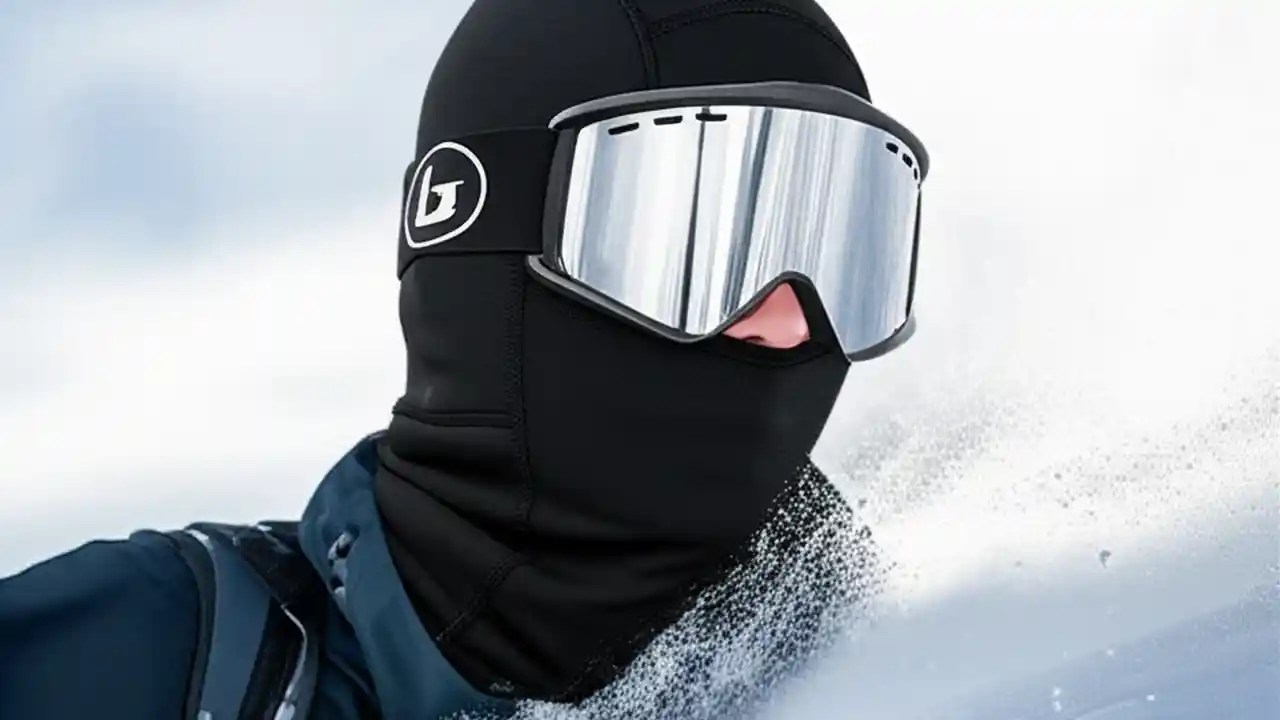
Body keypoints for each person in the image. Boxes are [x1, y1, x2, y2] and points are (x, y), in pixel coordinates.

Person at [0, 0, 928, 717]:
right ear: (477, 243)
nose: (787, 323)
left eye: (841, 246)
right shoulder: (149, 660)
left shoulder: (930, 658)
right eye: (698, 246)